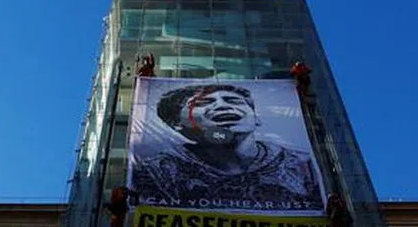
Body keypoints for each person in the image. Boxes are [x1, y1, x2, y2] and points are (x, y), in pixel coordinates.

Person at [131, 83, 324, 213]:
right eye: (202, 103)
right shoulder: (156, 171)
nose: (222, 106)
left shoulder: (303, 165)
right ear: (177, 124)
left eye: (234, 101)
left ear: (256, 118)